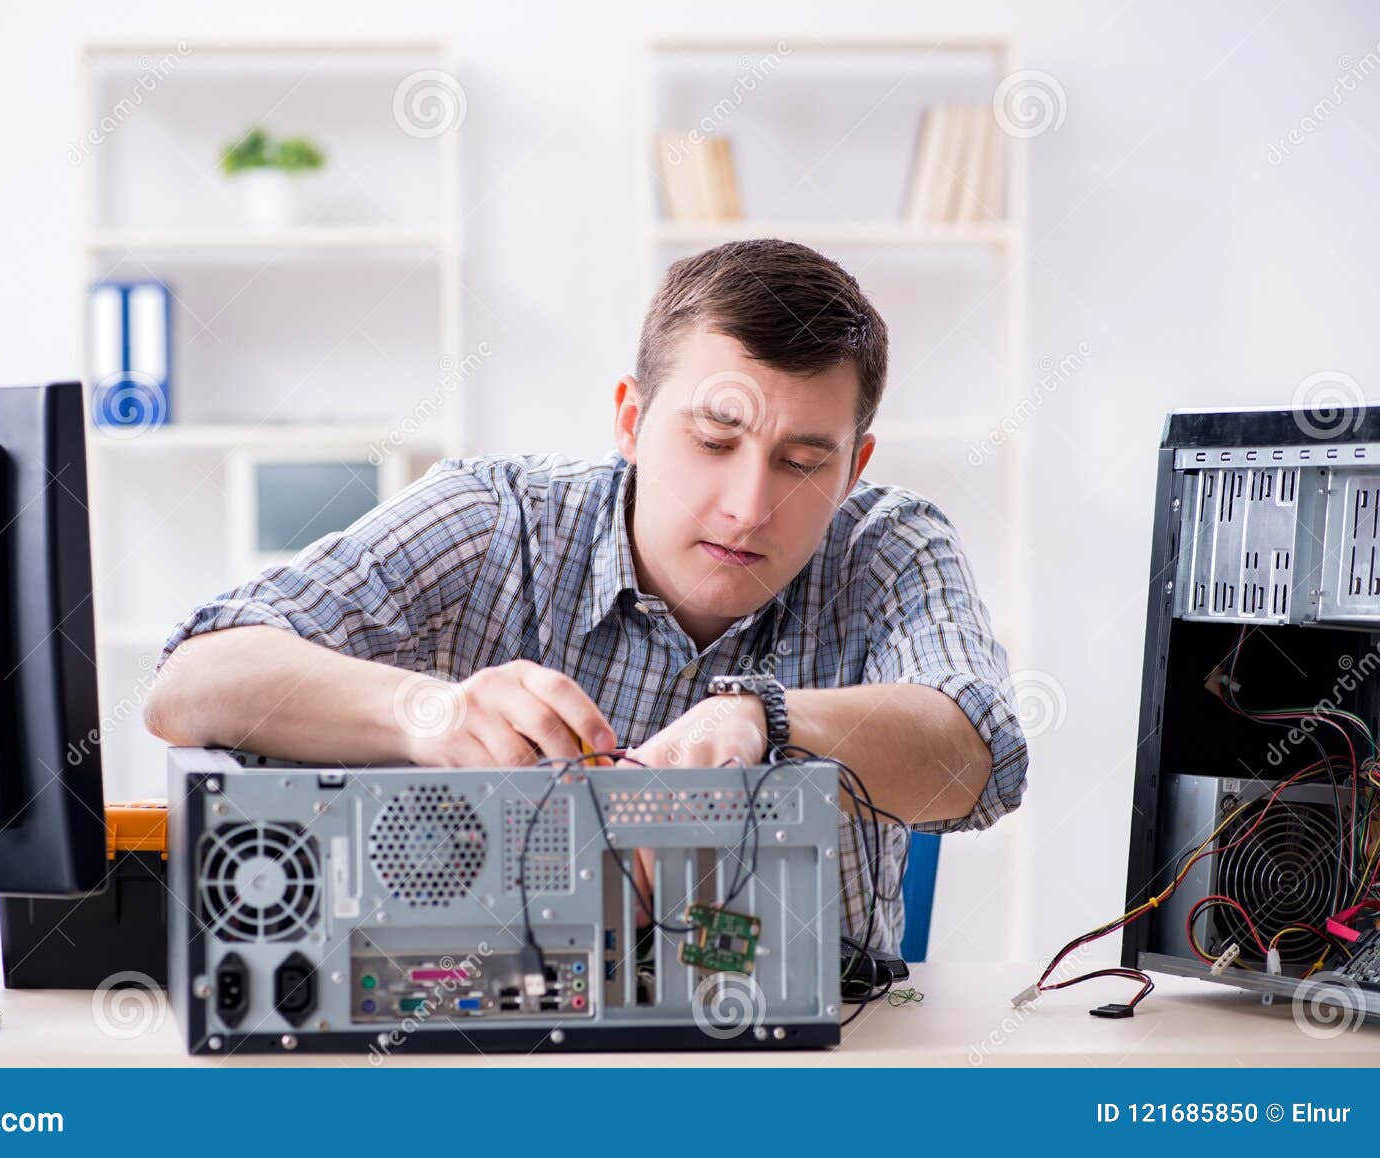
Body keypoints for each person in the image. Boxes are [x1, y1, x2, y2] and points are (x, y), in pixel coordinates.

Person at [145, 238, 1028, 951]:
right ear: (631, 422)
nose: (748, 506)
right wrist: (427, 712)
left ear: (854, 469)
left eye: (802, 463)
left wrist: (767, 720)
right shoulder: (495, 519)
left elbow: (980, 759)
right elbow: (192, 681)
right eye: (714, 441)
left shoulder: (888, 544)